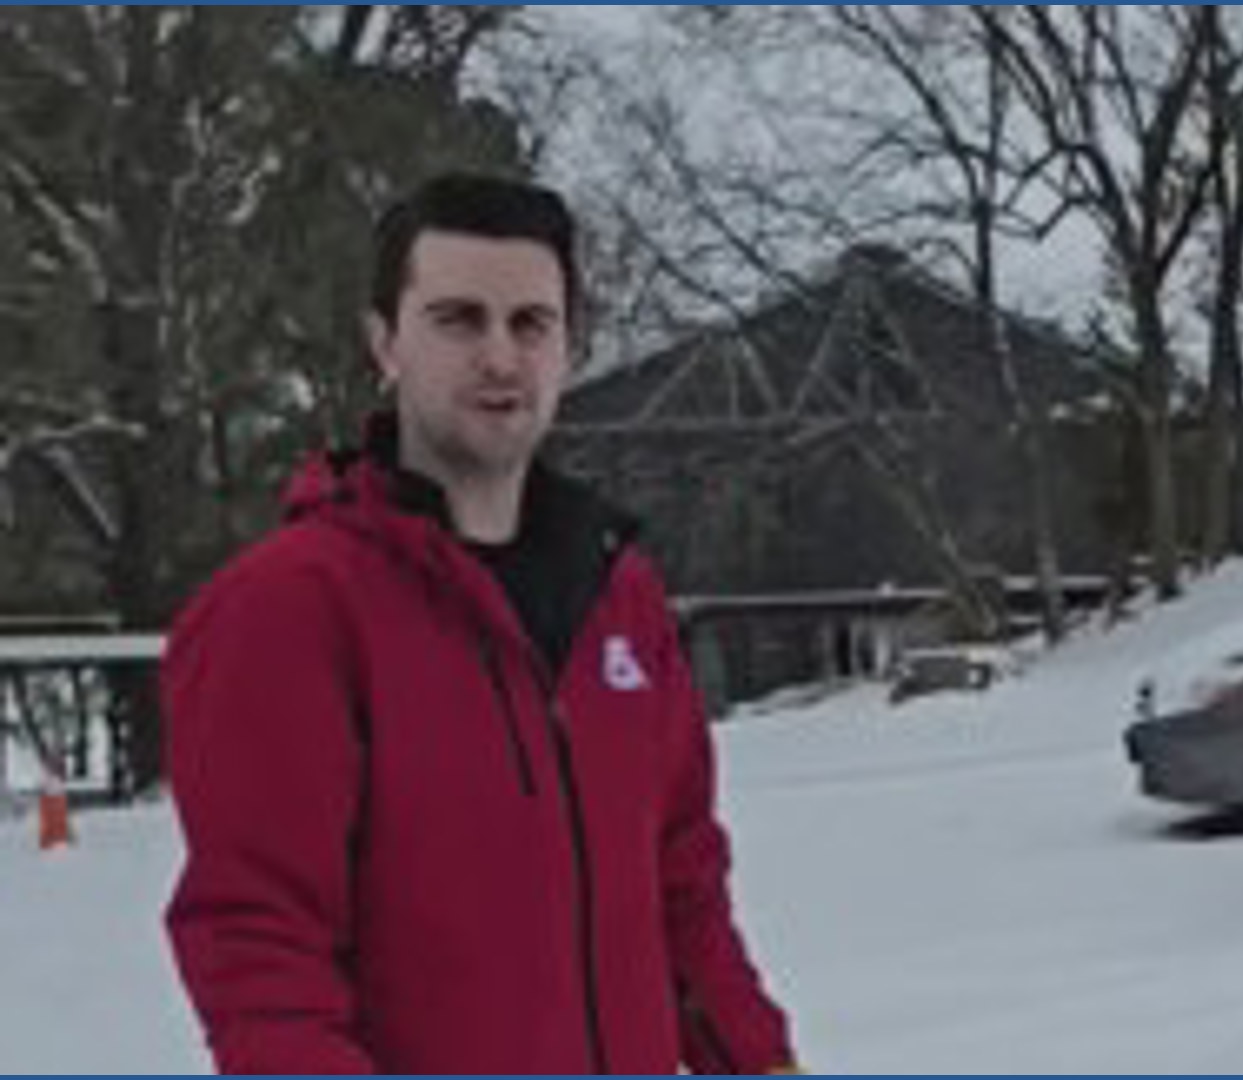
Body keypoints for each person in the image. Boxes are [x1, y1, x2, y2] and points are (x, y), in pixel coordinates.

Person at [162, 174, 799, 1075]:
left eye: (531, 324)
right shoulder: (289, 610)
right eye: (459, 320)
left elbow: (680, 884)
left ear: (569, 348)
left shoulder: (620, 597)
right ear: (385, 343)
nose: (501, 358)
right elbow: (262, 952)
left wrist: (758, 1060)